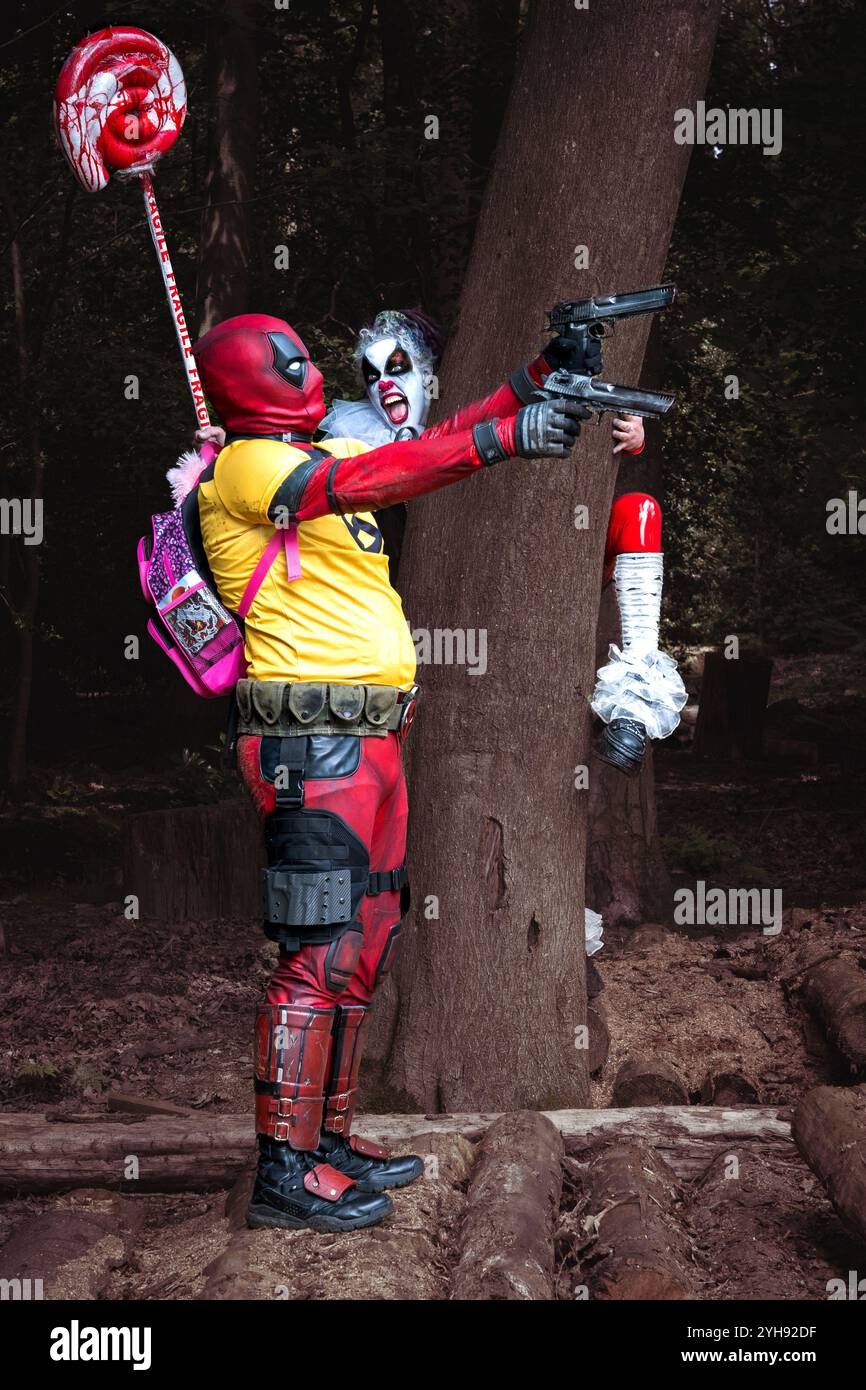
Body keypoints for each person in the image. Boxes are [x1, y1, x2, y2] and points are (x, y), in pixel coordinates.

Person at [190, 311, 591, 1232]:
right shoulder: (250, 465)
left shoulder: (317, 451)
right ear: (253, 383)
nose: (305, 367)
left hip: (369, 739)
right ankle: (283, 1172)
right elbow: (378, 472)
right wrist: (502, 443)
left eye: (302, 351)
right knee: (316, 952)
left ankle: (325, 1137)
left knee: (365, 937)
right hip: (310, 742)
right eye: (284, 358)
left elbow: (423, 444)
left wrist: (531, 380)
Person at [315, 309, 687, 775]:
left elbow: (463, 427)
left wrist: (629, 436)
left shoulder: (450, 414)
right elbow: (421, 457)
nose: (384, 384)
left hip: (559, 563)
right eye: (373, 375)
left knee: (640, 509)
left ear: (427, 373)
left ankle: (635, 703)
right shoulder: (349, 446)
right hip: (412, 611)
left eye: (397, 368)